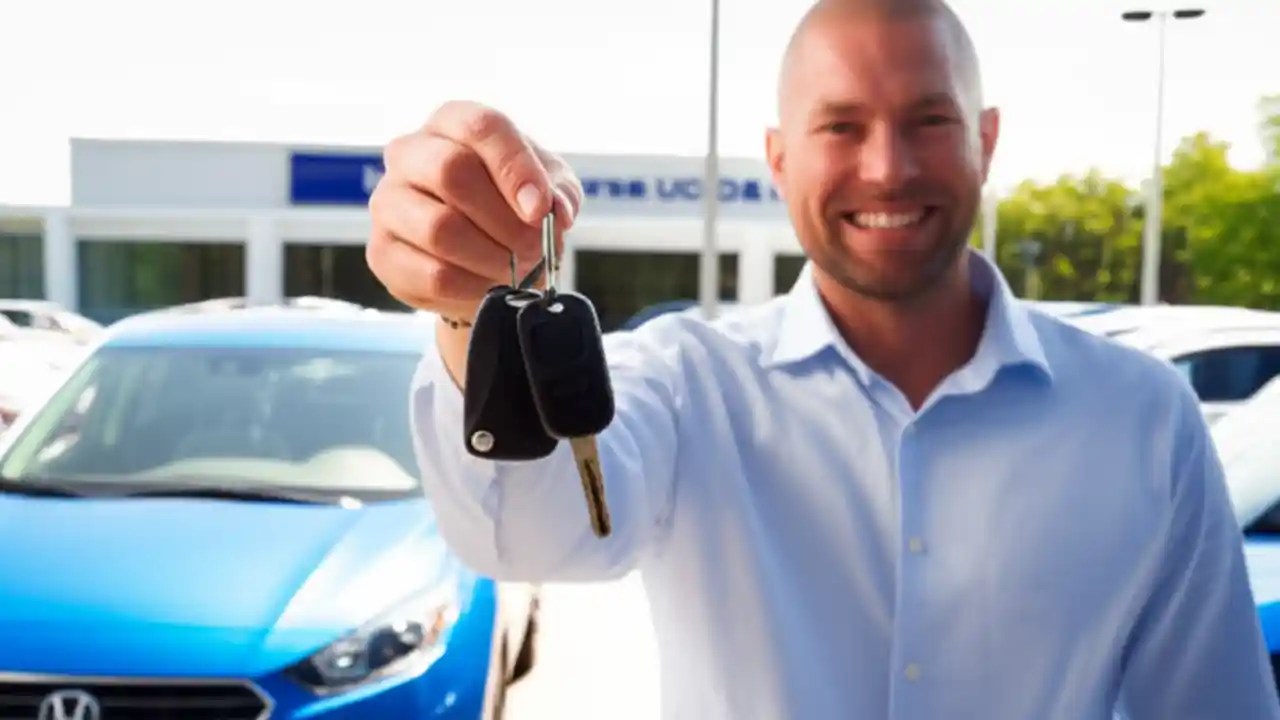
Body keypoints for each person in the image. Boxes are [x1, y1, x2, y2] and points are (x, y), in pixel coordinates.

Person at [365, 0, 1280, 717]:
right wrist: (463, 311)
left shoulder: (1144, 417)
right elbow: (525, 534)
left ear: (985, 140)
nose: (887, 169)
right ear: (777, 157)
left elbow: (1214, 706)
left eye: (928, 119)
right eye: (841, 125)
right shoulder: (687, 382)